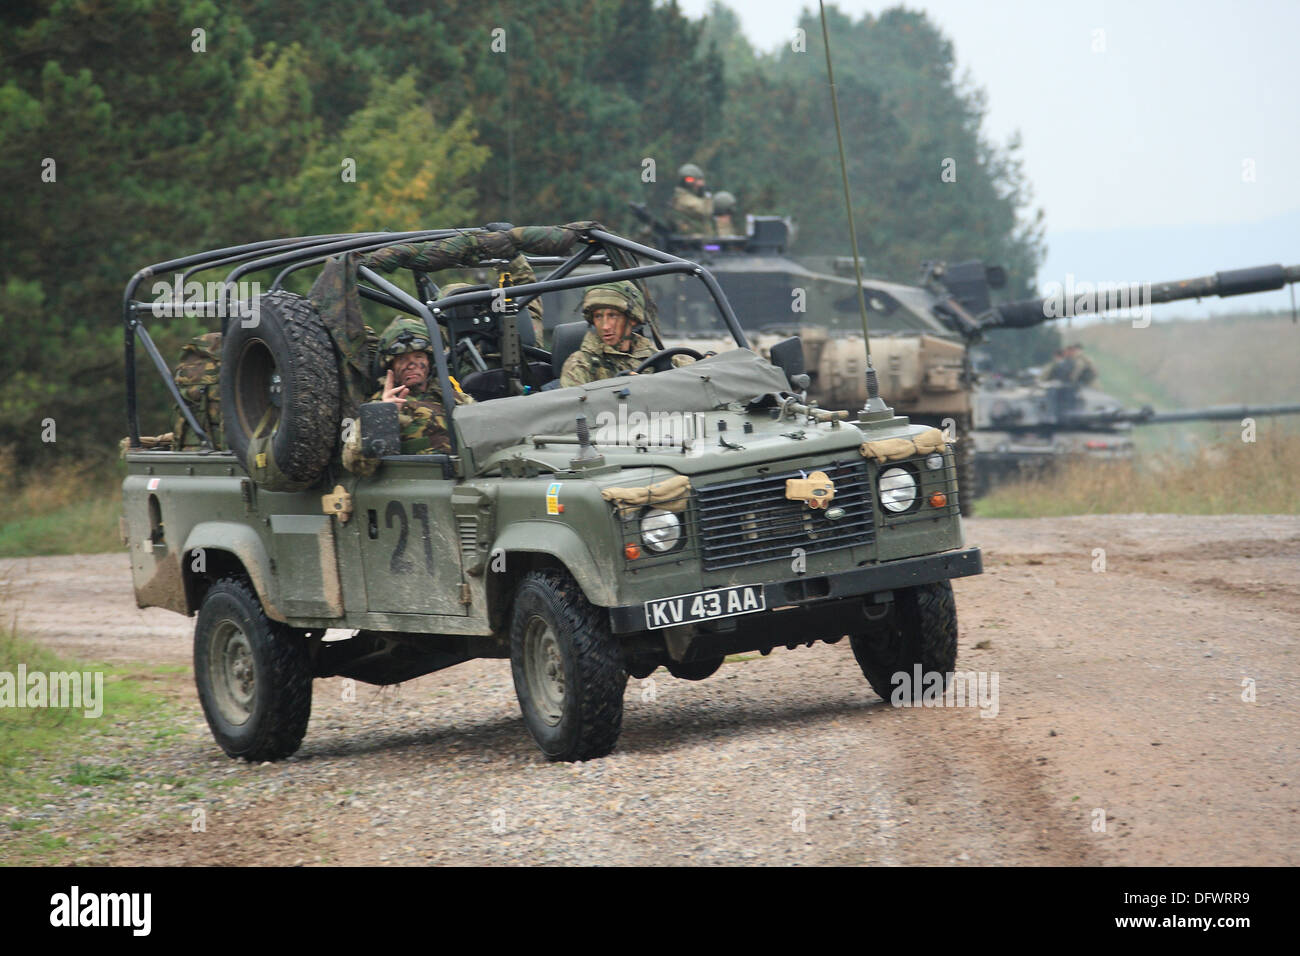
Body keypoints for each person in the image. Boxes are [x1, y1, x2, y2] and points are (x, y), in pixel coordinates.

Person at [344, 316, 472, 473]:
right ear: (391, 365)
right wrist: (385, 414)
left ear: (429, 360)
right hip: (416, 482)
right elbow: (355, 464)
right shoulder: (378, 405)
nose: (411, 365)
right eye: (403, 359)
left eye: (418, 356)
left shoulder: (452, 395)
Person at [560, 281, 692, 386]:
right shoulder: (580, 365)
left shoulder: (654, 357)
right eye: (598, 316)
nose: (605, 326)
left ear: (632, 319)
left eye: (612, 316)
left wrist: (709, 362)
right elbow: (573, 412)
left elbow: (695, 373)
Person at [669, 163, 714, 237]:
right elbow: (707, 211)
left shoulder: (687, 197)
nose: (701, 183)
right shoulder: (682, 198)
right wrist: (707, 195)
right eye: (698, 180)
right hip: (691, 241)